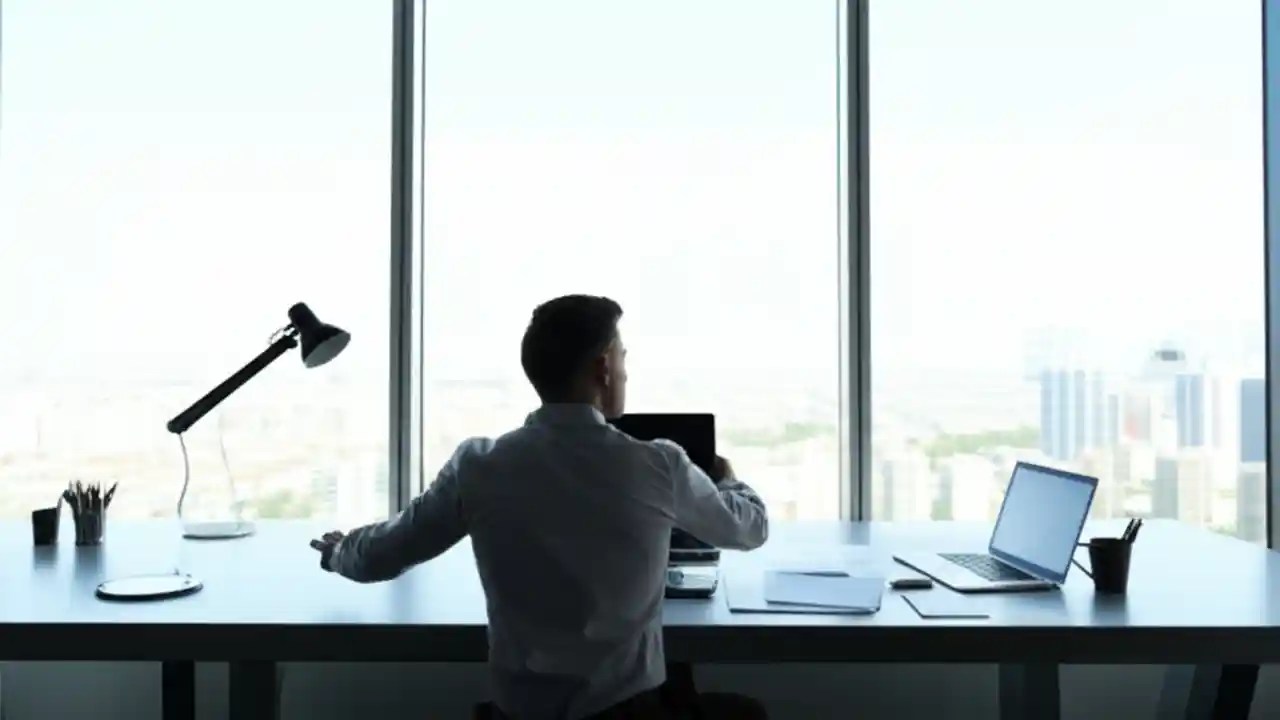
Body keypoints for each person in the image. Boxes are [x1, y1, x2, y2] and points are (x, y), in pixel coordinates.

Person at [310, 294, 770, 720]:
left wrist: (338, 552)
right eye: (623, 358)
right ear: (603, 367)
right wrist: (727, 478)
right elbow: (750, 529)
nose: (626, 372)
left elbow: (384, 553)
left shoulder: (478, 465)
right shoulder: (658, 464)